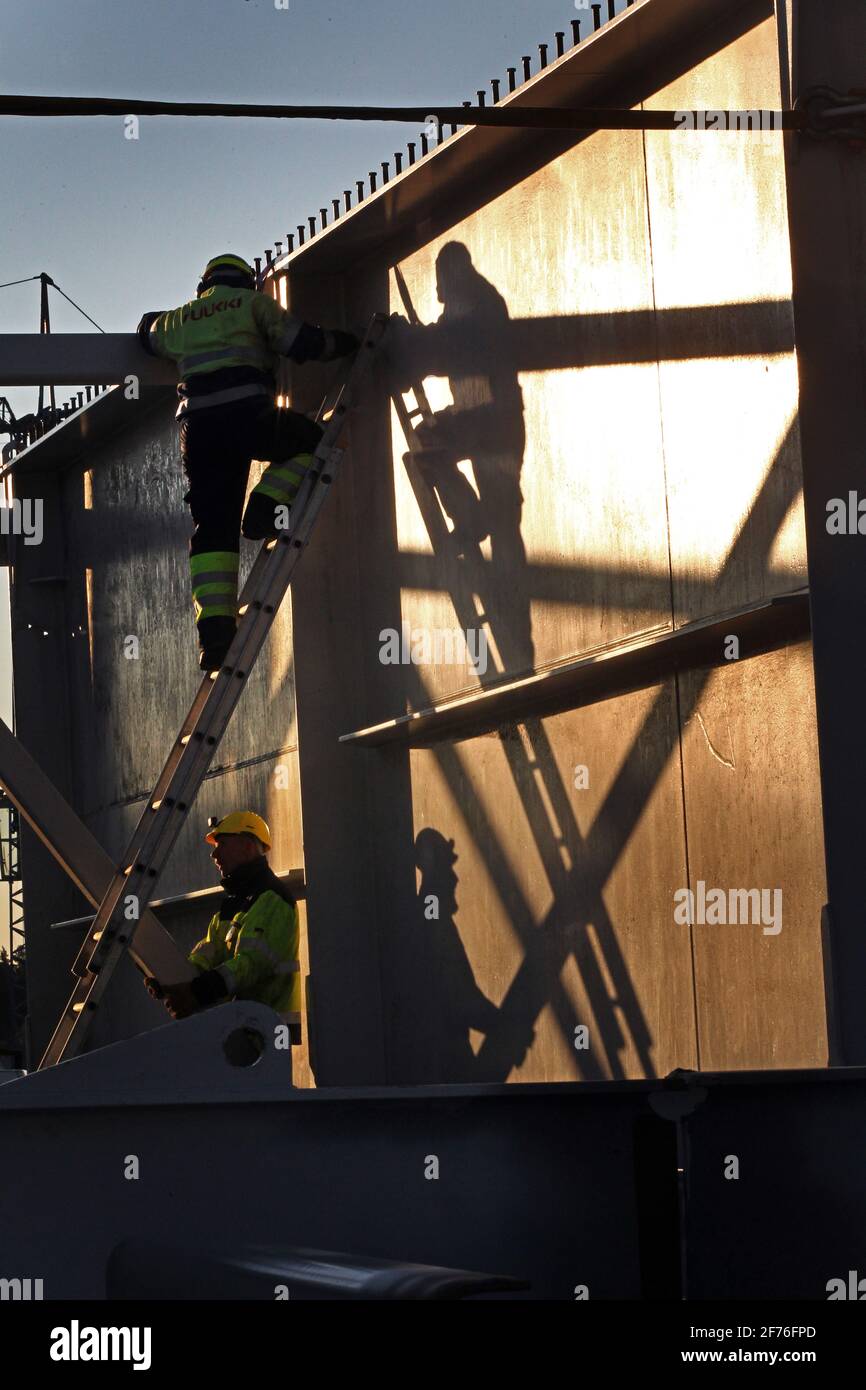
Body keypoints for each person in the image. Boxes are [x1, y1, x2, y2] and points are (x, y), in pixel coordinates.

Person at [137, 253, 359, 669]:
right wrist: (344, 342)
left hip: (199, 432)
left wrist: (155, 319)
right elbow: (300, 343)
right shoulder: (252, 304)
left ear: (204, 286)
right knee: (313, 441)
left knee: (213, 530)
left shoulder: (181, 318)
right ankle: (263, 507)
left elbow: (146, 333)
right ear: (246, 281)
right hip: (247, 416)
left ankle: (215, 637)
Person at [145, 810, 300, 1030]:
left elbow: (251, 965)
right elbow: (209, 952)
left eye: (222, 845)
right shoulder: (234, 903)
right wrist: (171, 977)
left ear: (247, 847)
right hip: (240, 1027)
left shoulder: (272, 899)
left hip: (265, 1033)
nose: (214, 856)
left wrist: (196, 992)